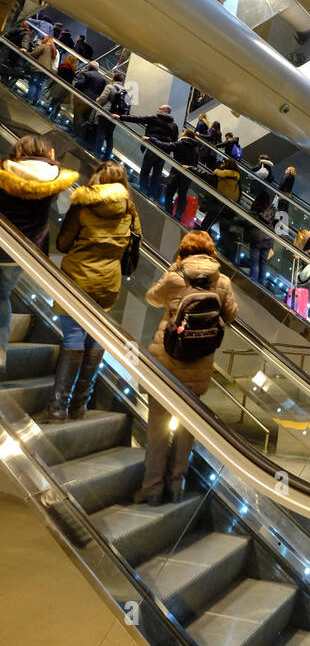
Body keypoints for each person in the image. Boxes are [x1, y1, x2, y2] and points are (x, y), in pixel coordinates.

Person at [137, 230, 237, 504]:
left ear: (183, 252)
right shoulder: (223, 282)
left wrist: (174, 270)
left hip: (166, 362)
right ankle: (176, 487)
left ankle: (153, 490)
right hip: (199, 364)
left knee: (157, 430)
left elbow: (151, 298)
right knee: (186, 429)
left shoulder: (174, 278)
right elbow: (230, 315)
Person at [40, 162, 140, 422]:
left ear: (97, 177)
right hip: (108, 284)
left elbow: (63, 243)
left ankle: (57, 407)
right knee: (96, 339)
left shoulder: (83, 205)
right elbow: (132, 247)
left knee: (73, 339)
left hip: (77, 280)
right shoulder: (130, 209)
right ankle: (79, 406)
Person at [0, 137, 77, 370]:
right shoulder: (53, 179)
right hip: (24, 253)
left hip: (2, 243)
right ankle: (0, 351)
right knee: (2, 295)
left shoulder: (6, 172)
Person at [126, 104, 179, 200]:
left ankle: (143, 193)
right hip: (163, 154)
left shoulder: (155, 118)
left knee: (145, 172)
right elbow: (174, 142)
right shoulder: (174, 126)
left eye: (160, 108)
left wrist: (121, 117)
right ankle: (151, 197)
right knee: (156, 176)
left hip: (152, 149)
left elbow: (137, 118)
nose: (158, 110)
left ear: (166, 111)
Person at [163, 127, 199, 219]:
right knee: (182, 195)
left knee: (169, 192)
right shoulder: (196, 148)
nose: (181, 133)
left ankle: (168, 211)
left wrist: (152, 139)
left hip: (176, 172)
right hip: (188, 175)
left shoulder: (181, 143)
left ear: (186, 135)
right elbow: (196, 163)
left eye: (183, 132)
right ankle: (178, 216)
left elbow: (166, 146)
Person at [247, 189, 275, 286]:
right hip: (269, 239)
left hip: (257, 238)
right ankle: (261, 285)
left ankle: (252, 284)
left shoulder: (256, 208)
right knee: (263, 263)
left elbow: (250, 220)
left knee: (254, 262)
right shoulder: (272, 210)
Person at [71, 60, 105, 141]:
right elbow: (101, 92)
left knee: (78, 115)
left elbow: (79, 84)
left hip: (82, 98)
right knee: (85, 117)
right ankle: (80, 134)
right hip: (92, 101)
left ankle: (75, 132)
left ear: (89, 67)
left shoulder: (85, 74)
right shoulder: (102, 80)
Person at [26, 28, 58, 104]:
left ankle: (28, 99)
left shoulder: (44, 46)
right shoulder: (54, 50)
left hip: (38, 68)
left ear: (46, 40)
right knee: (39, 85)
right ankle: (35, 101)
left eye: (43, 38)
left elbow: (34, 54)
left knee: (33, 83)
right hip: (46, 71)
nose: (42, 39)